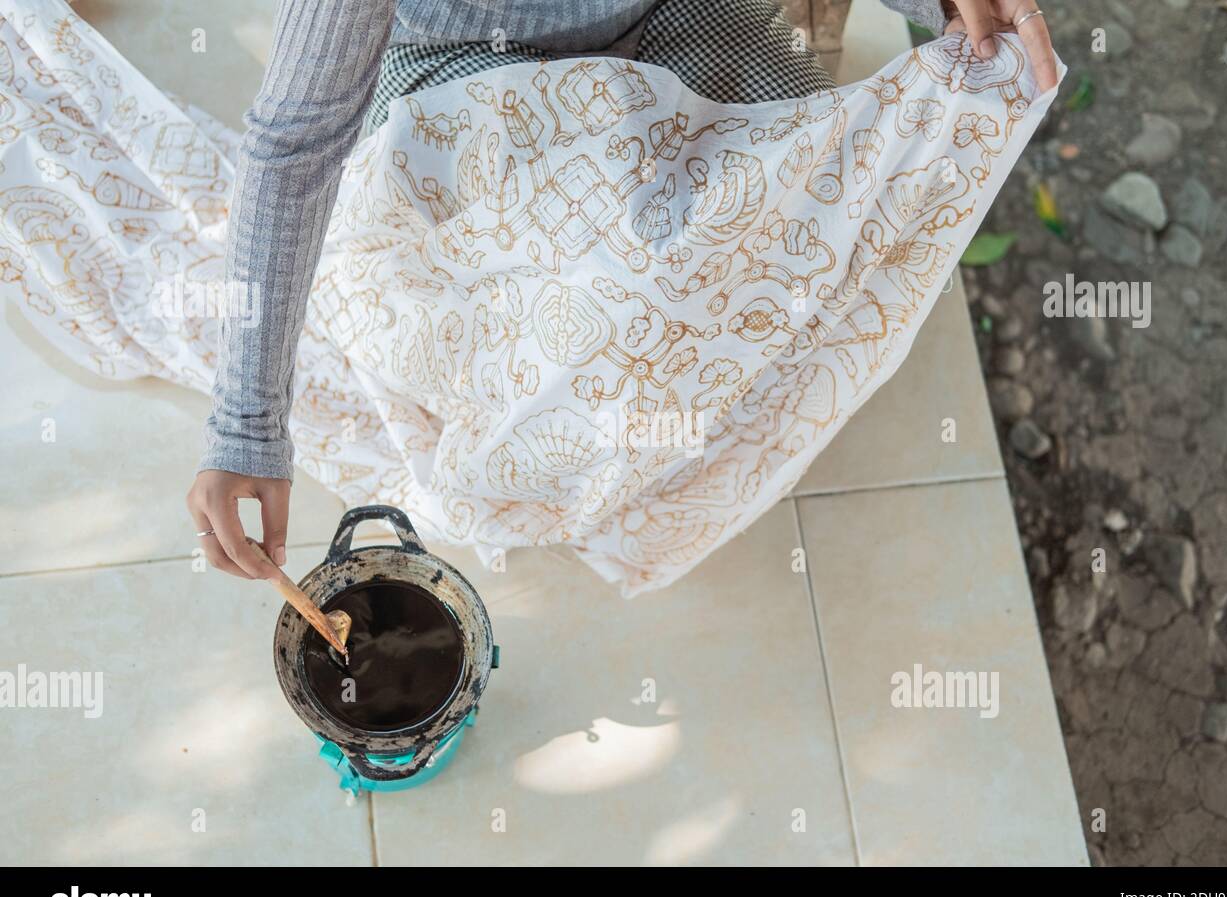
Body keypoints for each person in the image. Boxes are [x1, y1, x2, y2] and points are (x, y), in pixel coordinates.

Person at [186, 0, 1057, 580]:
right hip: (455, 66)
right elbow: (296, 142)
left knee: (796, 210)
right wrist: (248, 423)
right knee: (578, 325)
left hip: (667, 19)